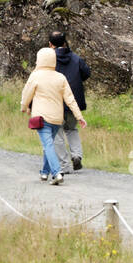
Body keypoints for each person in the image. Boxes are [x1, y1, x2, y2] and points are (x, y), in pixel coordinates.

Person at [21, 47, 86, 185]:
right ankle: (44, 173)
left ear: (39, 60)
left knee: (48, 145)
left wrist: (24, 107)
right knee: (48, 144)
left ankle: (57, 173)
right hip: (57, 119)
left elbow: (27, 94)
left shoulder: (35, 76)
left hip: (41, 118)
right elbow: (70, 99)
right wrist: (79, 116)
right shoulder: (60, 77)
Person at [49, 31, 91, 173]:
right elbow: (86, 73)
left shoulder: (50, 59)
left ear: (50, 44)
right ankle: (77, 155)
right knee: (72, 129)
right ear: (64, 42)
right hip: (74, 101)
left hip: (56, 101)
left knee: (57, 132)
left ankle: (64, 165)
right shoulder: (76, 58)